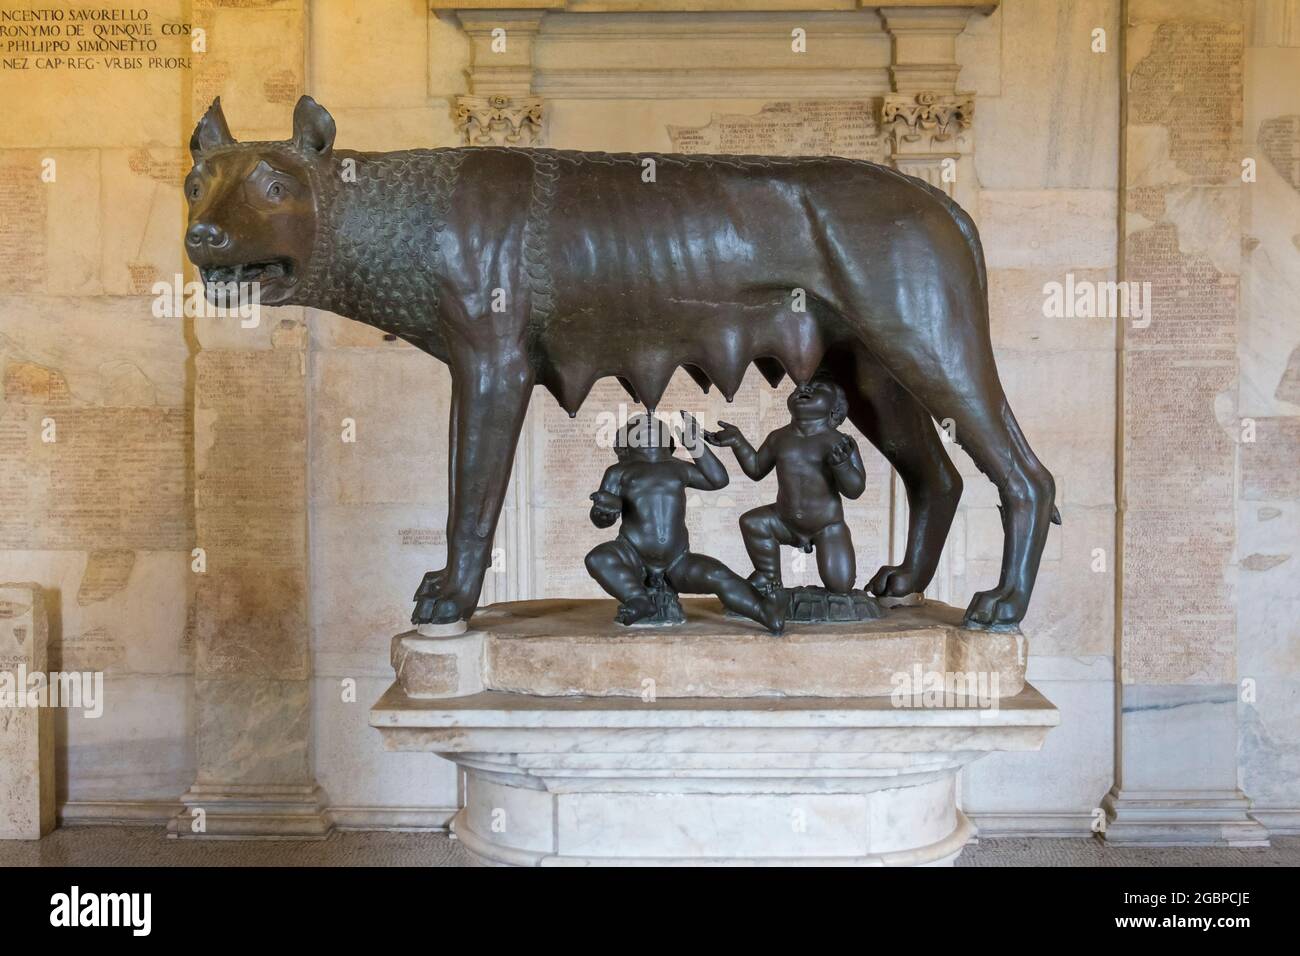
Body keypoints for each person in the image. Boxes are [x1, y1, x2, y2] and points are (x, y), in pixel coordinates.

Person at [585, 411, 785, 633]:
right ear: (623, 445)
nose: (647, 425)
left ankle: (764, 612)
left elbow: (717, 480)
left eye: (655, 426)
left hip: (678, 560)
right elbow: (601, 519)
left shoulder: (678, 468)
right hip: (631, 553)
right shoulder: (618, 472)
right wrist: (604, 511)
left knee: (718, 575)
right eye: (637, 427)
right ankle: (637, 598)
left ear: (669, 443)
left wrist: (695, 445)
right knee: (598, 558)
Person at [704, 373, 867, 595]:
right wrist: (737, 441)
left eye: (818, 388)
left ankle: (834, 579)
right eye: (800, 386)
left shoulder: (840, 442)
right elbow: (756, 469)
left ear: (834, 408)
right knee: (753, 522)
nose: (805, 389)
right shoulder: (778, 438)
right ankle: (768, 575)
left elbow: (855, 490)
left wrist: (842, 466)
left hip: (827, 525)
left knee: (841, 586)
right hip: (784, 520)